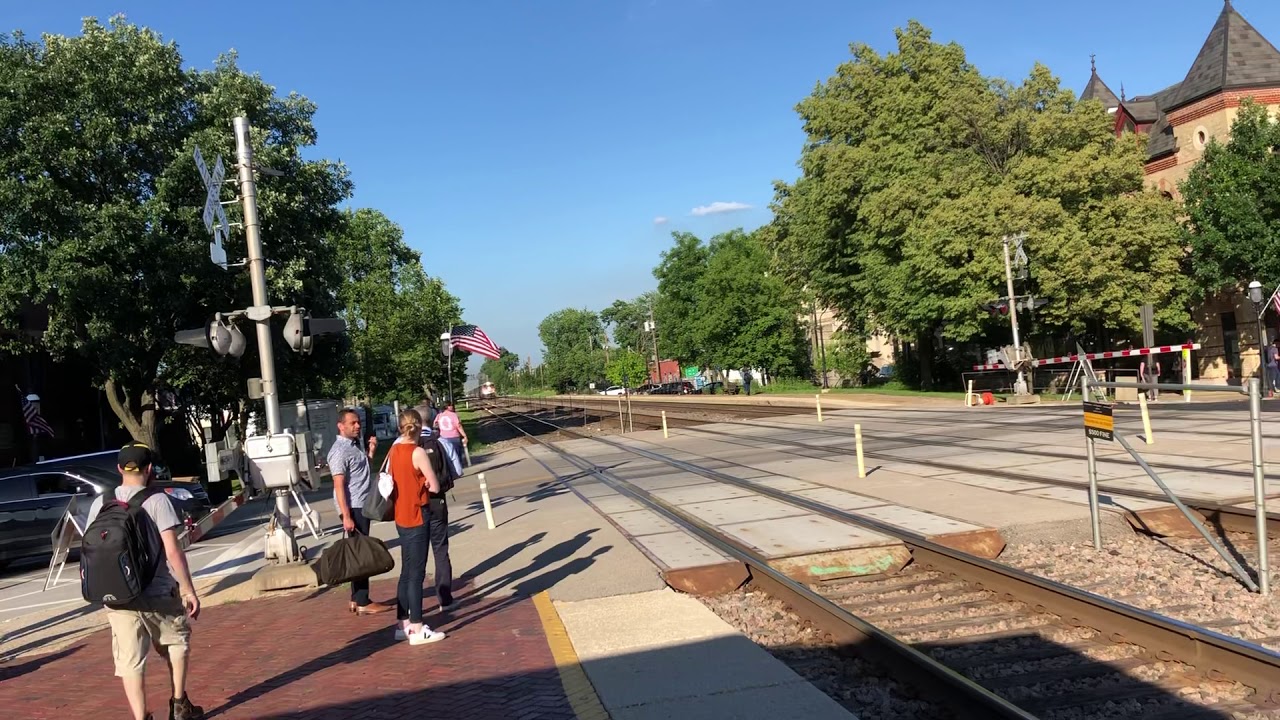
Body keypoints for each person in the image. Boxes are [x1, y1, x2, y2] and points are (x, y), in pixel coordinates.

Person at [85, 442, 203, 720]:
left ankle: (141, 717)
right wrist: (188, 590)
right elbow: (172, 551)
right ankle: (178, 705)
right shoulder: (157, 500)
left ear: (119, 469)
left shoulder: (100, 504)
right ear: (149, 469)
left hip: (118, 596)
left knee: (130, 661)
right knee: (176, 643)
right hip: (158, 591)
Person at [387, 409, 447, 645]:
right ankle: (417, 626)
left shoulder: (393, 450)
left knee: (406, 570)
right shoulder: (418, 452)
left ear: (400, 426)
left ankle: (402, 623)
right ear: (419, 426)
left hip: (400, 514)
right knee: (417, 574)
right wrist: (422, 481)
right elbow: (433, 486)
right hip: (417, 514)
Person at [327, 408, 392, 615]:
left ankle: (356, 598)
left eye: (358, 423)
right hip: (353, 507)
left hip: (361, 504)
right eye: (352, 423)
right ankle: (364, 600)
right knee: (362, 555)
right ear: (341, 426)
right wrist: (346, 515)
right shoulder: (339, 451)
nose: (357, 426)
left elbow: (361, 472)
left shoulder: (354, 446)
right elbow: (339, 485)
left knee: (357, 554)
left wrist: (371, 452)